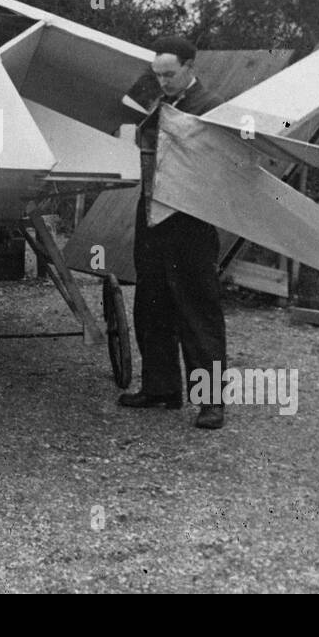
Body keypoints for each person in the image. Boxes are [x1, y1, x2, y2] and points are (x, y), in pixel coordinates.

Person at [119, 35, 228, 429]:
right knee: (151, 304)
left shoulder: (211, 107)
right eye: (158, 74)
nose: (163, 81)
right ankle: (161, 387)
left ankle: (211, 402)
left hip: (190, 220)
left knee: (197, 310)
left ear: (189, 66)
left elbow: (223, 162)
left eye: (169, 73)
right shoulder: (159, 103)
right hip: (151, 214)